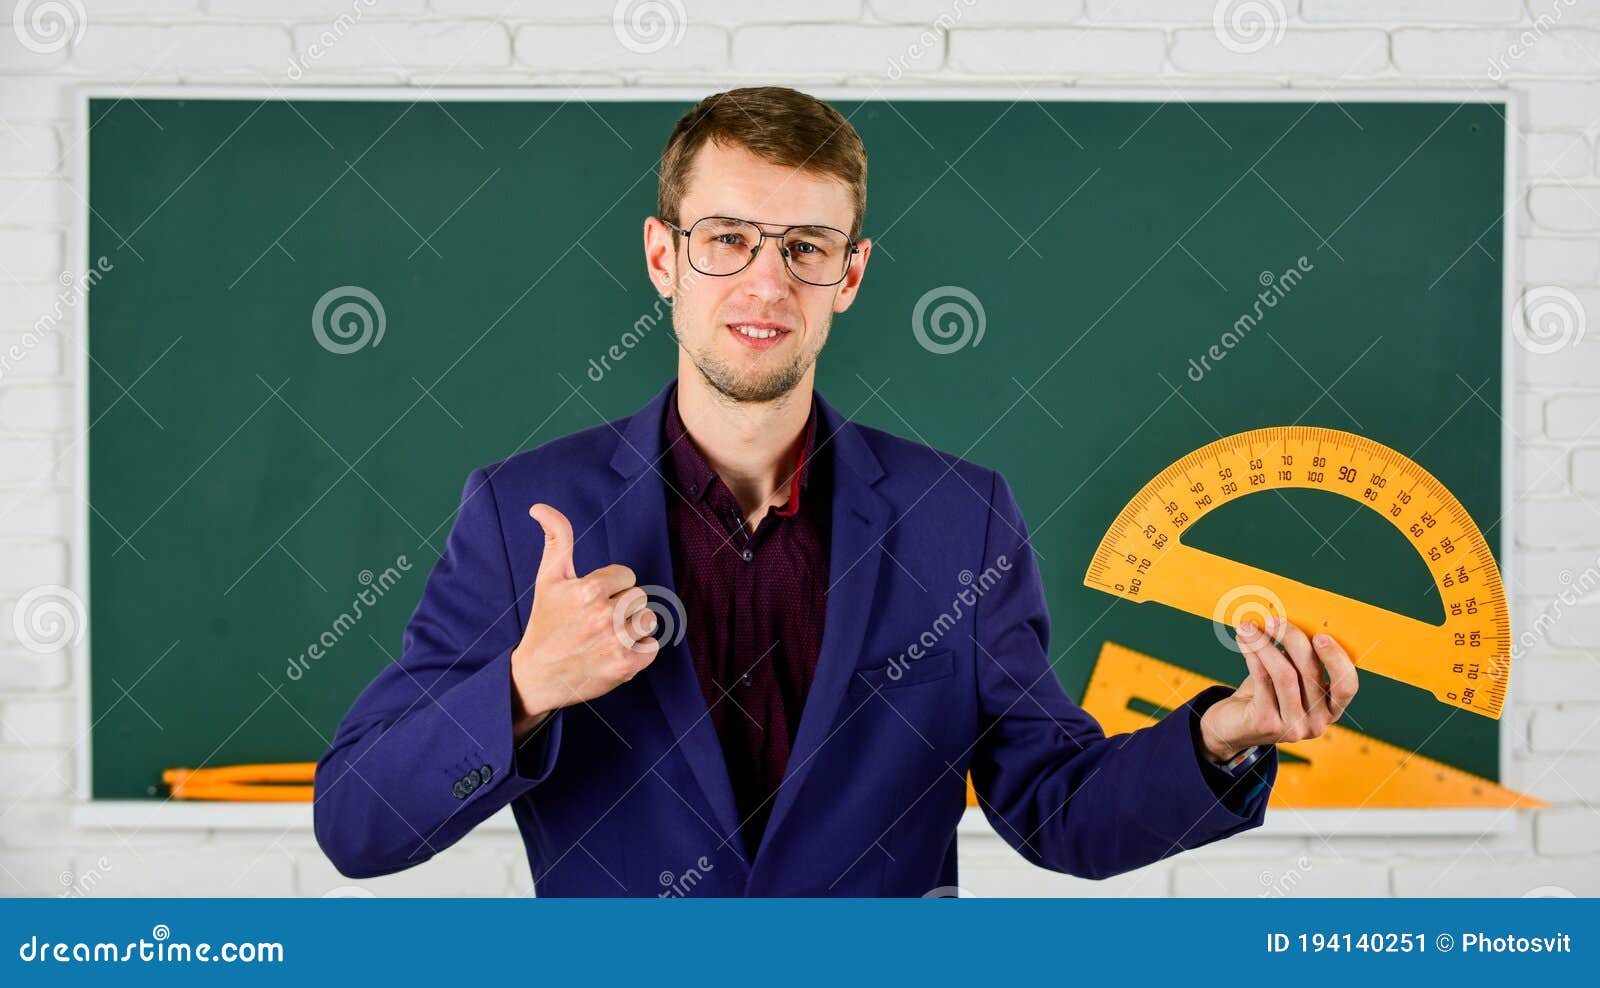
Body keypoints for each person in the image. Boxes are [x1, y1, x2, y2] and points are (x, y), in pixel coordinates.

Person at [313, 86, 1359, 896]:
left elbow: (1060, 810)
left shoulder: (960, 517)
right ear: (661, 257)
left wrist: (1221, 736)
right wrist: (524, 687)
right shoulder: (524, 514)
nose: (764, 284)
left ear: (848, 276)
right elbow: (357, 825)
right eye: (726, 239)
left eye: (803, 248)